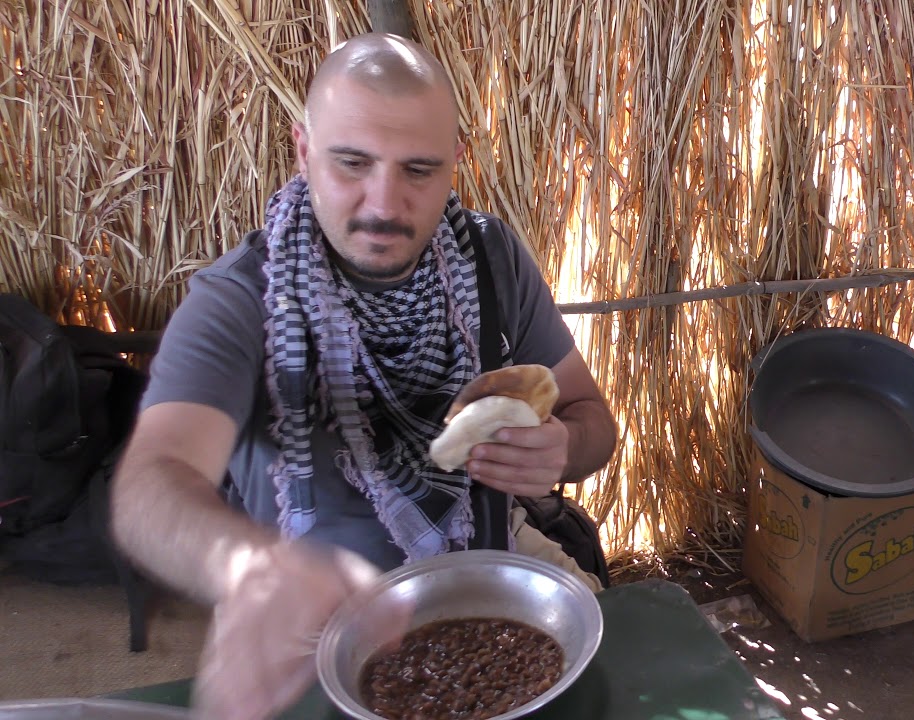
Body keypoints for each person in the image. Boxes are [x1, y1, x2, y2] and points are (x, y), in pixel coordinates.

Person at [109, 33, 617, 720]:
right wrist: (249, 568)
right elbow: (149, 483)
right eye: (352, 163)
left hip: (485, 573)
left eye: (418, 170)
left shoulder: (491, 261)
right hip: (323, 627)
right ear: (303, 149)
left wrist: (562, 447)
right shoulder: (242, 300)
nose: (384, 203)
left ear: (456, 163)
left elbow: (593, 420)